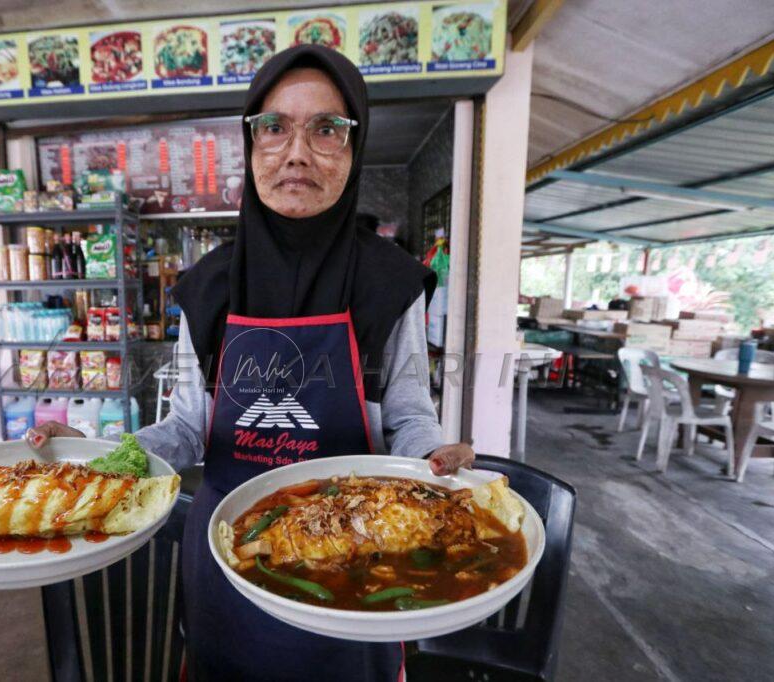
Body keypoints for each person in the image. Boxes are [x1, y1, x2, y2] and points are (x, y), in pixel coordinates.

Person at [29, 44, 475, 681]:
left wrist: (435, 458)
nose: (296, 152)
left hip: (357, 564)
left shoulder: (390, 283)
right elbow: (186, 430)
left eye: (327, 128)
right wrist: (101, 453)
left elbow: (408, 418)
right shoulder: (207, 287)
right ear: (251, 145)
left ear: (353, 149)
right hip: (230, 558)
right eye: (274, 127)